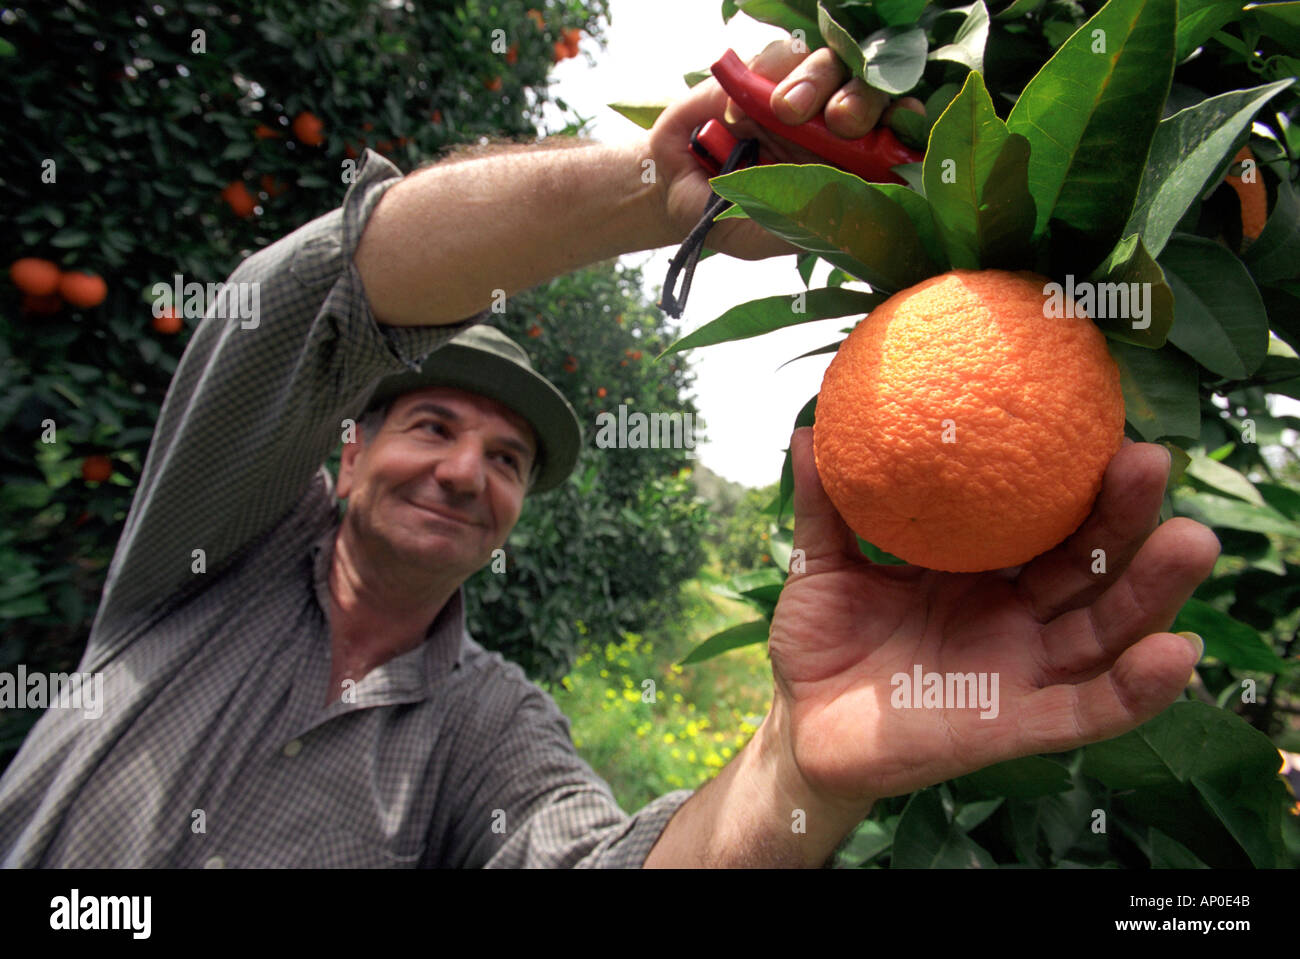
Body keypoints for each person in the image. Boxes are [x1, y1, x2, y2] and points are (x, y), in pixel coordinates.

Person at [0, 39, 1219, 868]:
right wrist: (659, 188)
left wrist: (803, 766)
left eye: (509, 458)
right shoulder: (207, 557)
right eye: (434, 423)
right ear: (348, 442)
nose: (467, 470)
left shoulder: (483, 724)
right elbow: (312, 295)